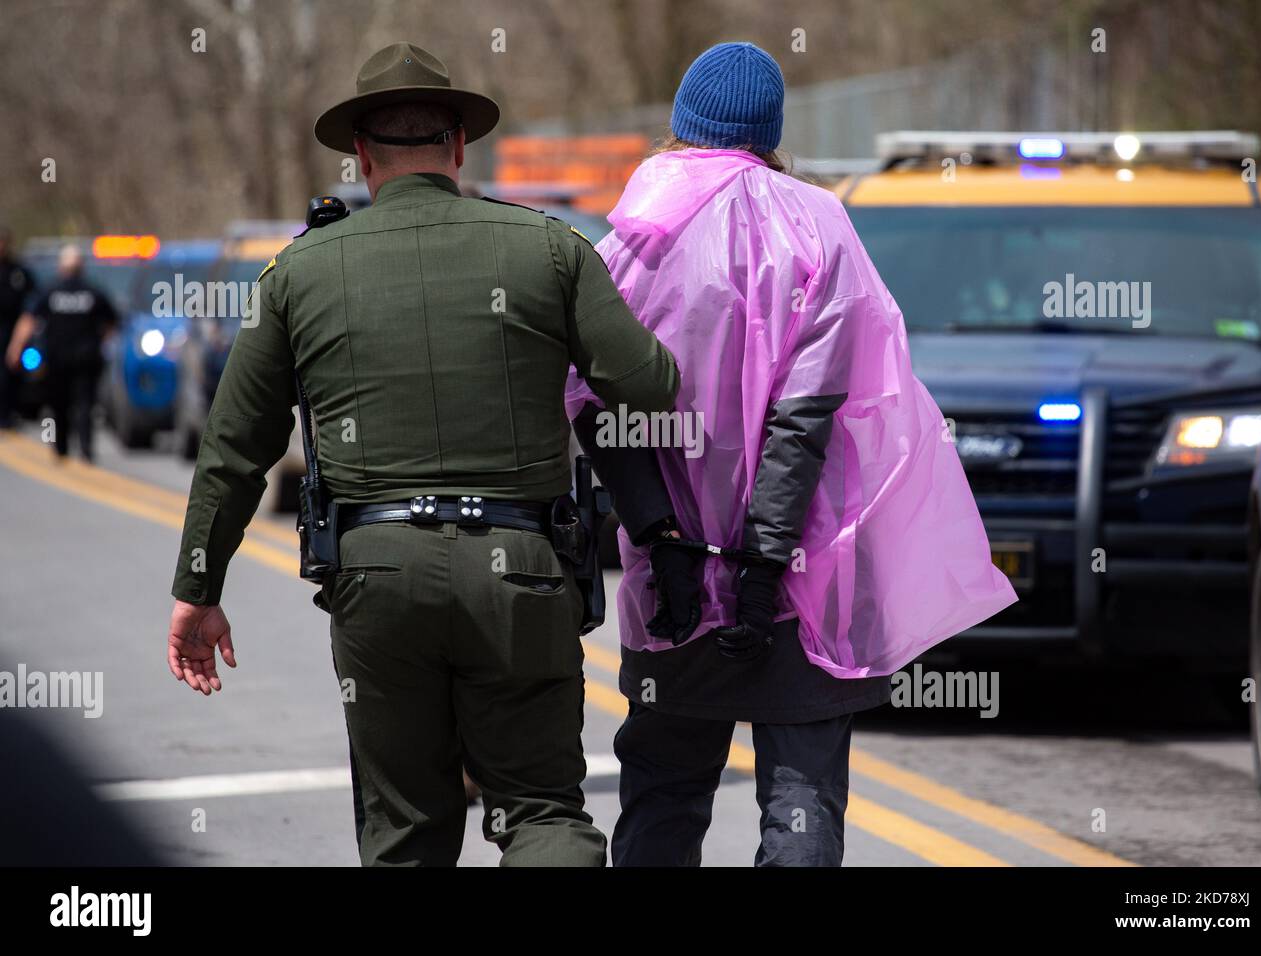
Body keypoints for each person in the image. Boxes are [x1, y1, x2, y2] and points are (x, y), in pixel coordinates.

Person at [163, 42, 679, 867]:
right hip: (524, 570)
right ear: (459, 147)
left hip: (376, 576)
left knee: (405, 830)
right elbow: (648, 389)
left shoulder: (297, 271)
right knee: (543, 811)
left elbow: (234, 448)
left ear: (361, 156)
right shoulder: (548, 249)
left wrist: (198, 586)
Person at [567, 42, 1017, 866]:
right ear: (770, 131)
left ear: (681, 124)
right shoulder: (822, 225)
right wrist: (763, 568)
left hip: (669, 587)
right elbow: (805, 417)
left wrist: (667, 544)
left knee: (663, 795)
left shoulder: (629, 237)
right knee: (801, 801)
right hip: (805, 585)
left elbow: (596, 407)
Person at [5, 244, 117, 460]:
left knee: (59, 405)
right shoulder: (93, 292)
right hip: (85, 359)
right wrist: (100, 343)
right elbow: (111, 323)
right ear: (81, 268)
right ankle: (85, 449)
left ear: (61, 268)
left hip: (59, 359)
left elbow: (28, 320)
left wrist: (15, 347)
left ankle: (61, 447)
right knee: (84, 405)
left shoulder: (51, 291)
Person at [0, 227, 36, 428]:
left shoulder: (18, 272)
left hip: (12, 330)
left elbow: (31, 306)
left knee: (11, 373)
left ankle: (8, 414)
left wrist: (19, 339)